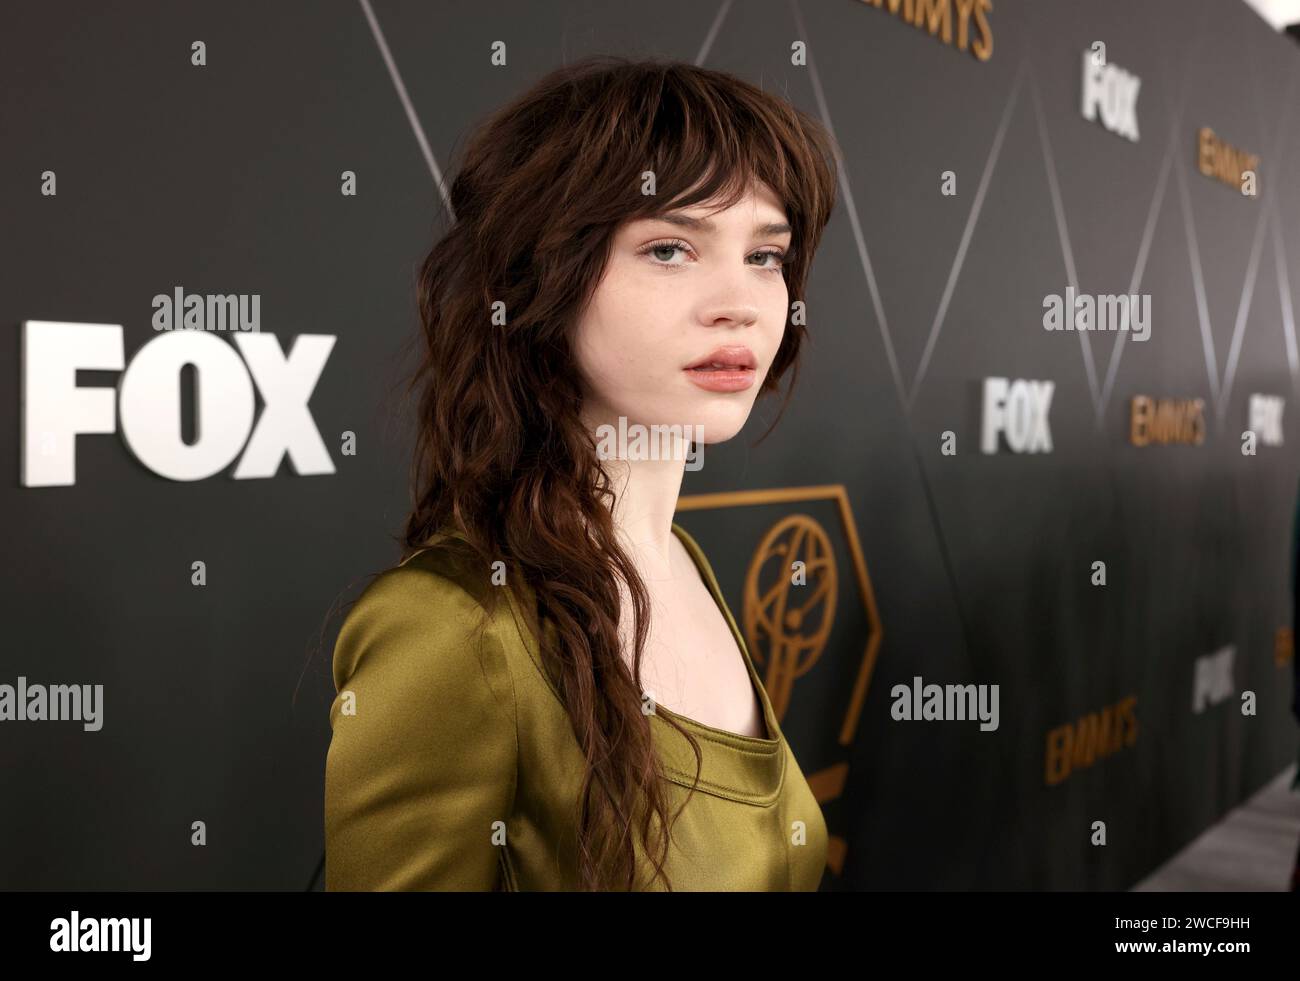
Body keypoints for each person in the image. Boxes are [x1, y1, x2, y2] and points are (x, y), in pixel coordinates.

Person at [323, 56, 839, 891]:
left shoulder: (678, 562)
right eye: (670, 248)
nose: (739, 301)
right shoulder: (454, 631)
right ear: (542, 276)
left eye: (767, 255)